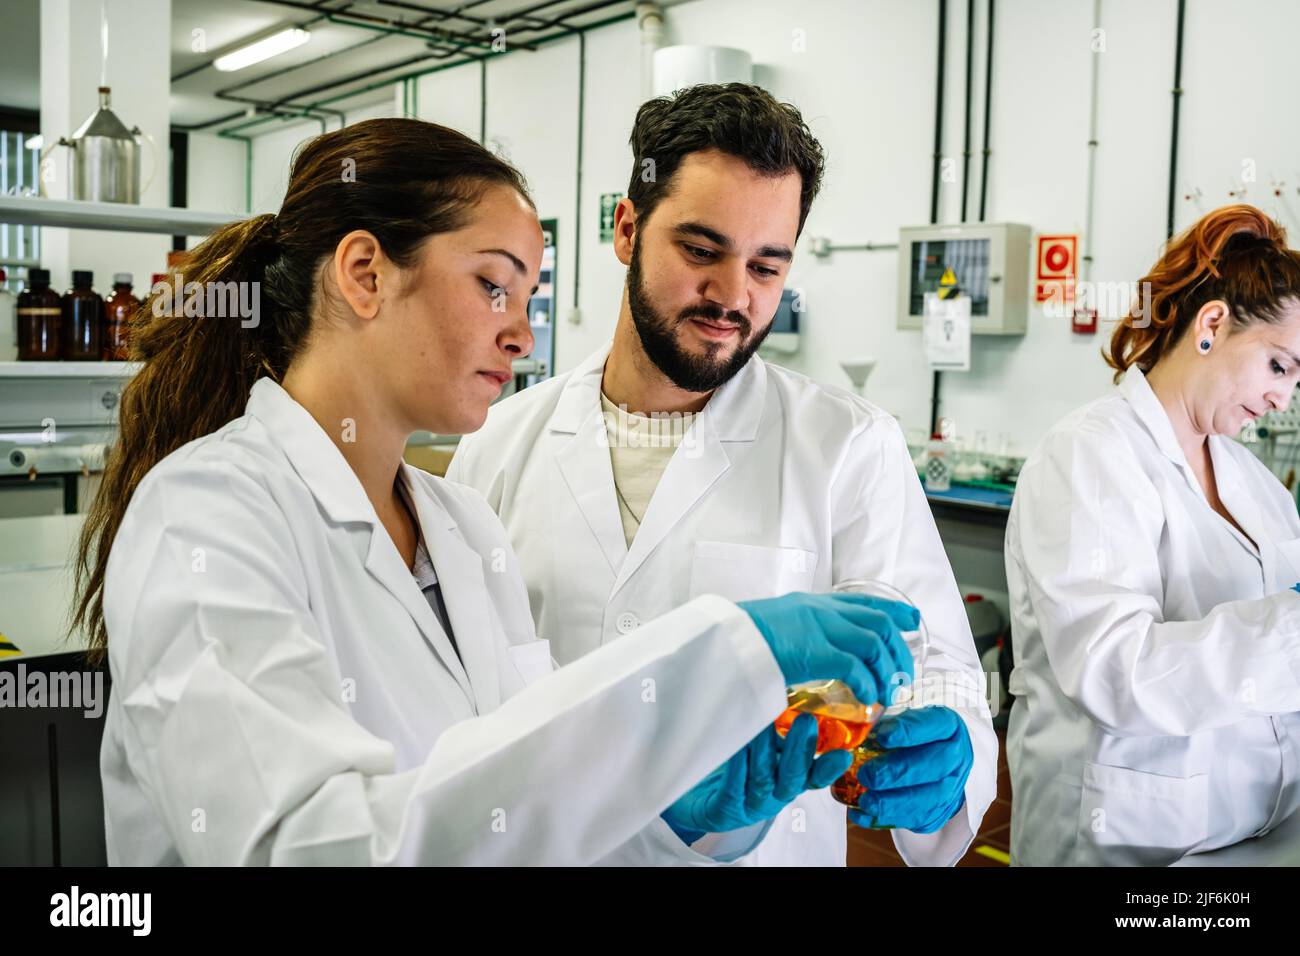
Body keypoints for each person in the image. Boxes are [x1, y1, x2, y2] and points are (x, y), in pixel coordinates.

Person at [70, 118, 915, 866]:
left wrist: (679, 824)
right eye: (494, 284)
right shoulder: (209, 516)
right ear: (365, 273)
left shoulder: (461, 528)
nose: (521, 330)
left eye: (529, 295)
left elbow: (520, 818)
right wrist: (711, 652)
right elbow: (306, 846)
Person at [448, 83, 996, 866]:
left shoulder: (847, 445)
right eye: (701, 252)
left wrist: (953, 747)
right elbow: (457, 700)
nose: (733, 296)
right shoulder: (498, 444)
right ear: (627, 229)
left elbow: (935, 663)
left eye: (767, 267)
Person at [1004, 203, 1300, 866]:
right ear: (1213, 324)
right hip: (1128, 840)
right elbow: (1115, 672)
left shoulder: (1252, 481)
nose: (1284, 397)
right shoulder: (1089, 455)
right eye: (1279, 365)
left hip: (1258, 833)